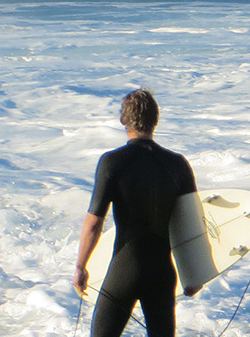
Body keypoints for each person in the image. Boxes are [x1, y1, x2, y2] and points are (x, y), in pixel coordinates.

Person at [74, 89, 199, 337]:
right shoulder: (178, 164)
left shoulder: (113, 162)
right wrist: (194, 273)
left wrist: (80, 266)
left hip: (126, 267)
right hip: (163, 273)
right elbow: (192, 222)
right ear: (156, 119)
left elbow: (94, 221)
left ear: (123, 119)